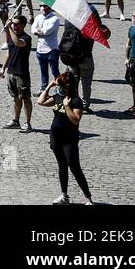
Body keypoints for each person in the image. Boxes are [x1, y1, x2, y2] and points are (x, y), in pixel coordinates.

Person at [37, 72, 92, 205]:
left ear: (68, 86)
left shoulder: (75, 101)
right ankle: (64, 195)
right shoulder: (58, 97)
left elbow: (75, 120)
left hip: (69, 138)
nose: (59, 88)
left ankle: (88, 198)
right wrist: (50, 85)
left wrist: (67, 106)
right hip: (56, 137)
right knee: (62, 166)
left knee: (74, 167)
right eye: (59, 85)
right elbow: (40, 101)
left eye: (62, 85)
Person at [1, 13, 35, 133]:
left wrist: (9, 28)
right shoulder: (11, 36)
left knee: (25, 98)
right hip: (11, 72)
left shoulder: (26, 38)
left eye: (16, 24)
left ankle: (27, 123)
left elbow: (18, 43)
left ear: (23, 25)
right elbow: (9, 53)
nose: (14, 26)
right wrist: (3, 68)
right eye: (13, 24)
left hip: (21, 73)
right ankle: (16, 120)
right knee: (15, 98)